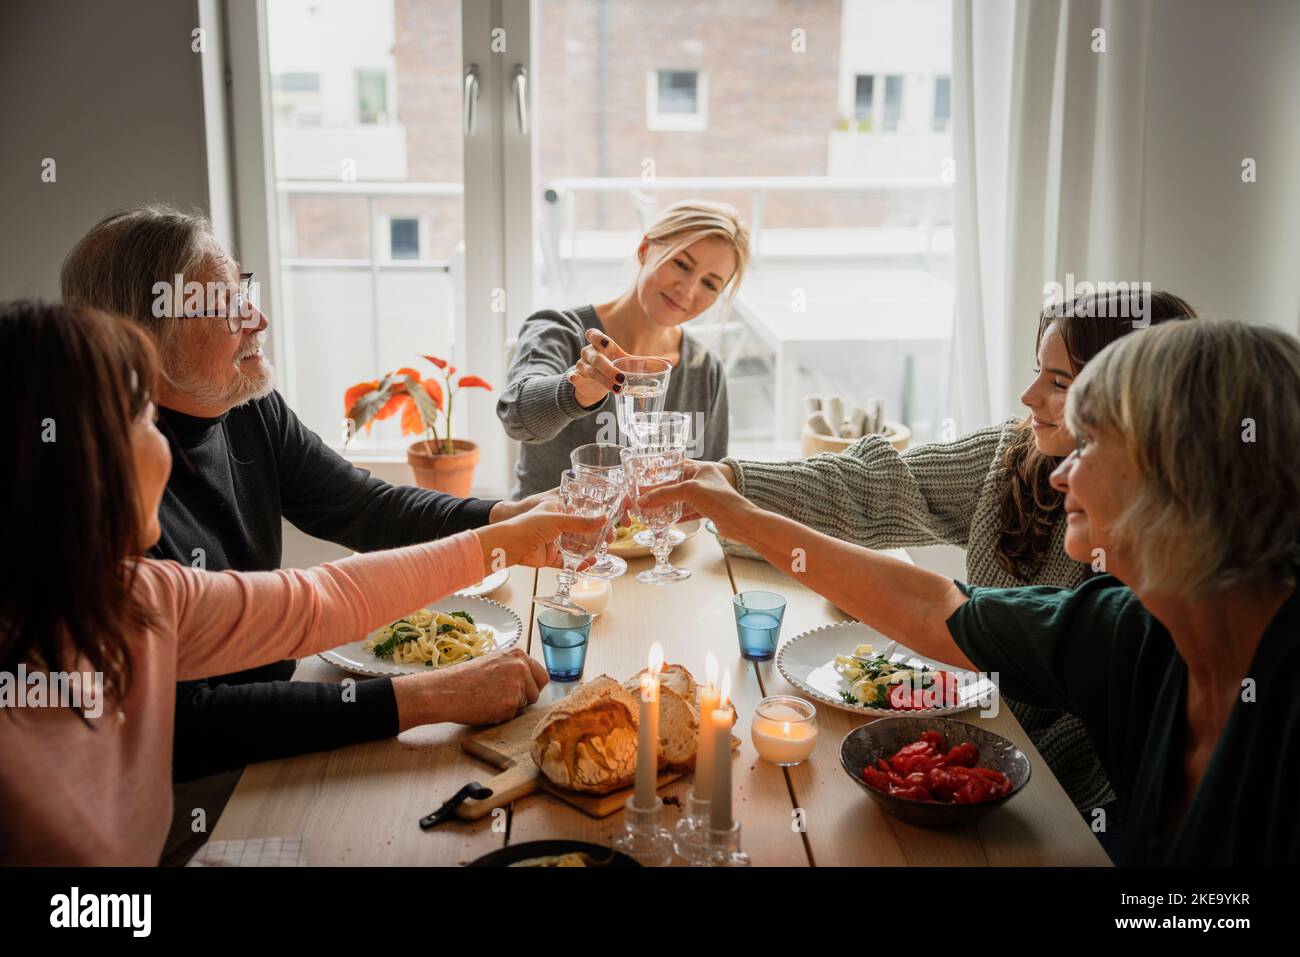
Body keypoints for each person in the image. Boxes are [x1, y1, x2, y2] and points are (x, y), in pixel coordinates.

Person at [641, 318, 1300, 866]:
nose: (1063, 471)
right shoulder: (1130, 630)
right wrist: (737, 508)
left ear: (1183, 470)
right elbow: (936, 607)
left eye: (1093, 442)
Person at [0, 300, 606, 865]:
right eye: (140, 416)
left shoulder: (140, 593)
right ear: (76, 458)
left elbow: (328, 599)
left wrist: (504, 534)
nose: (164, 441)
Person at [693, 290, 1196, 838]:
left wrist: (738, 513)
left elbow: (937, 610)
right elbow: (872, 493)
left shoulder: (1152, 616)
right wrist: (730, 488)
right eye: (1039, 373)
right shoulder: (1017, 457)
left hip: (1070, 807)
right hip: (973, 752)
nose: (1028, 396)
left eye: (1059, 384)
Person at [497, 199, 749, 498]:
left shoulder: (704, 369)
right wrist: (574, 394)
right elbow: (517, 419)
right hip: (553, 540)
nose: (688, 290)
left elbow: (710, 483)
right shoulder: (558, 331)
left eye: (710, 284)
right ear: (645, 249)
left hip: (662, 542)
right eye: (681, 264)